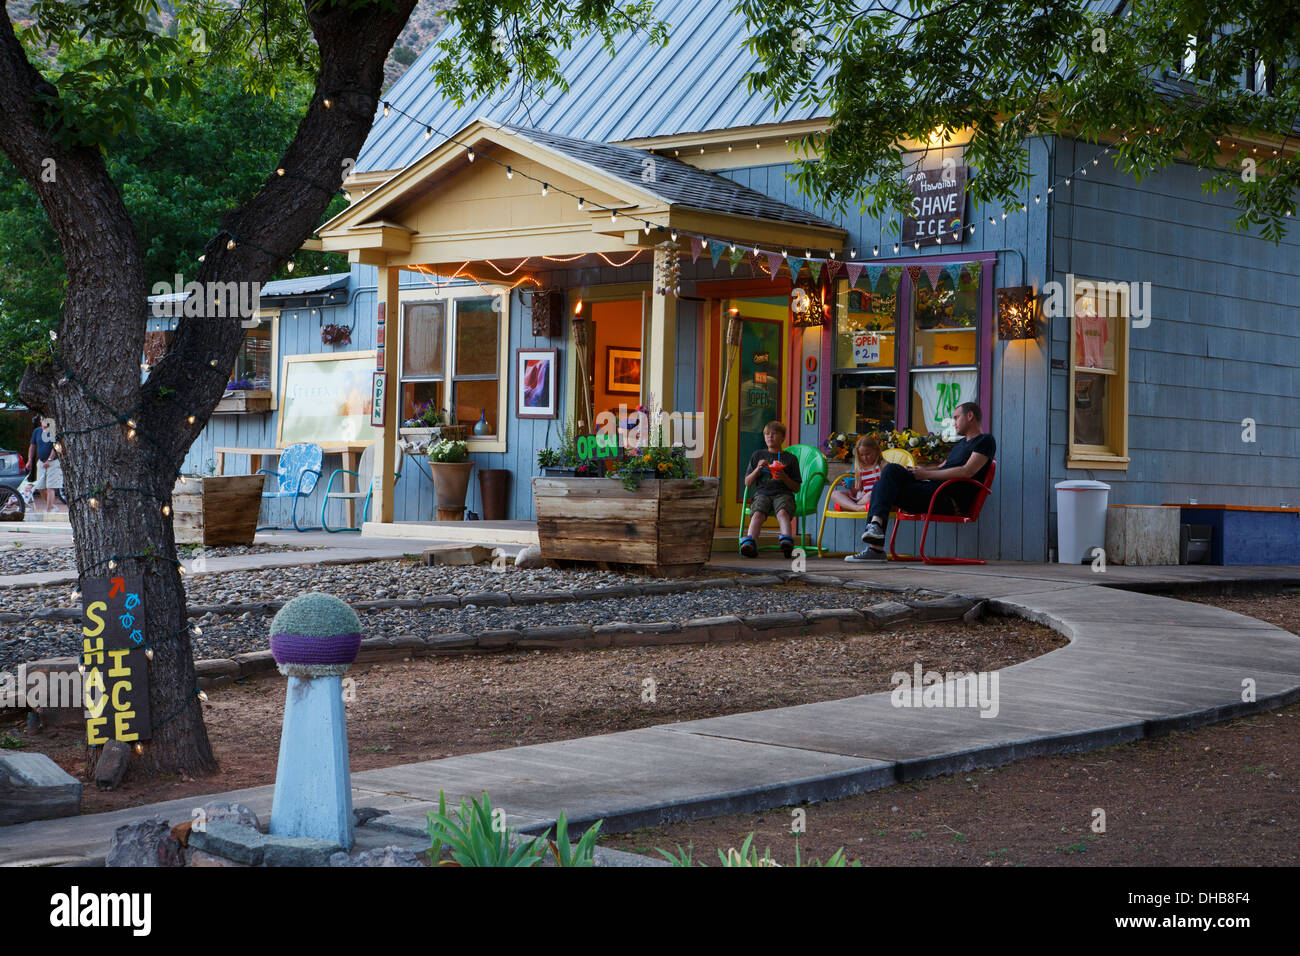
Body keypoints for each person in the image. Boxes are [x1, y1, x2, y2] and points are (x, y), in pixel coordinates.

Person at [846, 401, 994, 562]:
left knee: (883, 482)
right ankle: (875, 527)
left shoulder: (985, 441)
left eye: (956, 417)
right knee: (890, 472)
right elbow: (940, 468)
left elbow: (967, 471)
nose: (954, 422)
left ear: (970, 416)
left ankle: (875, 547)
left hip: (947, 500)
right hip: (930, 491)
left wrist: (924, 475)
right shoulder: (960, 445)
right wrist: (919, 471)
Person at [739, 420, 802, 559]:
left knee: (782, 512)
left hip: (783, 493)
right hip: (762, 493)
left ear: (783, 438)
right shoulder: (758, 455)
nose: (770, 437)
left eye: (774, 434)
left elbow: (796, 488)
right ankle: (750, 543)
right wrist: (758, 468)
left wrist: (784, 476)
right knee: (758, 514)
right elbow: (747, 482)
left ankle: (786, 541)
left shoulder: (790, 459)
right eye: (767, 434)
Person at [830, 435, 883, 517]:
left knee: (871, 494)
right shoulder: (860, 469)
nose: (865, 458)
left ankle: (846, 506)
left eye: (868, 454)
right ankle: (858, 508)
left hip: (873, 499)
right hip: (861, 499)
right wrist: (850, 487)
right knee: (835, 494)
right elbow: (856, 492)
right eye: (861, 455)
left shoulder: (881, 466)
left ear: (876, 451)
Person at [27, 415, 63, 514]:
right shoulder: (37, 431)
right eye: (42, 419)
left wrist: (50, 459)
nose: (43, 421)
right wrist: (30, 460)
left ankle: (49, 509)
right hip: (41, 462)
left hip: (53, 462)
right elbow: (32, 446)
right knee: (40, 487)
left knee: (50, 487)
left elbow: (56, 446)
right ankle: (51, 506)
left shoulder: (54, 431)